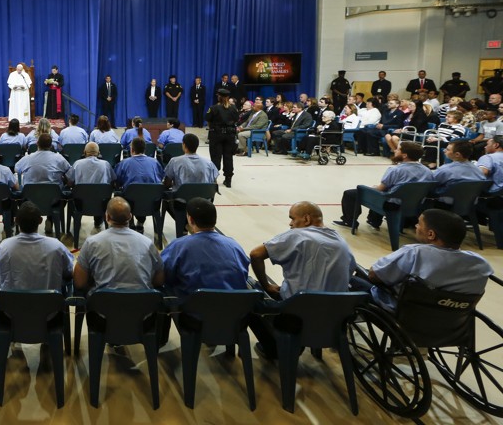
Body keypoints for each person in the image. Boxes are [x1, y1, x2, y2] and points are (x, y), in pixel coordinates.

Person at [248, 202, 356, 358]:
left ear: (306, 219)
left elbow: (255, 254)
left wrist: (266, 285)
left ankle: (274, 348)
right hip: (333, 318)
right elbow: (350, 271)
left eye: (292, 218)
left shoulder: (297, 235)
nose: (290, 223)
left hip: (295, 318)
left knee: (248, 289)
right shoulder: (340, 240)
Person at [363, 209, 493, 312]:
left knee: (356, 278)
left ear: (431, 234)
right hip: (452, 321)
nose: (416, 226)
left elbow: (374, 275)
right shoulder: (481, 265)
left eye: (419, 223)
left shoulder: (414, 253)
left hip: (407, 314)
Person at [161, 197, 249, 299]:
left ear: (190, 219)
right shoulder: (235, 246)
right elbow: (243, 275)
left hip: (192, 310)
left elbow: (163, 275)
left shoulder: (178, 246)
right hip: (234, 309)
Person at [335, 141, 434, 229]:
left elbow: (380, 189)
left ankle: (349, 221)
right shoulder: (427, 171)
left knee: (351, 193)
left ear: (404, 155)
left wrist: (374, 188)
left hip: (392, 205)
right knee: (390, 191)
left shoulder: (396, 170)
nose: (395, 150)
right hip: (415, 205)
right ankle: (374, 220)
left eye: (398, 149)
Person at [73, 197, 164, 290]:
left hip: (102, 303)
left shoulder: (91, 243)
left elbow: (79, 283)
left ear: (107, 217)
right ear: (130, 217)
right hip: (141, 303)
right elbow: (159, 281)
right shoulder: (148, 243)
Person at [0, 202, 73, 290]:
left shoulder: (4, 247)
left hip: (13, 303)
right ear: (40, 221)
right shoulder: (56, 246)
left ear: (16, 221)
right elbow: (68, 274)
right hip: (48, 303)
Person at [70, 142, 116, 228]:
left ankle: (77, 220)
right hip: (101, 204)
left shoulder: (77, 164)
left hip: (80, 204)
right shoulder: (106, 164)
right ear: (99, 153)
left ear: (84, 152)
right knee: (102, 194)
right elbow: (113, 182)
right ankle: (98, 220)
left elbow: (69, 181)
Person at [205, 89, 239, 188]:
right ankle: (228, 179)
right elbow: (236, 119)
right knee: (228, 157)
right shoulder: (233, 108)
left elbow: (207, 118)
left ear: (219, 97)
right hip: (229, 135)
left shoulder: (214, 108)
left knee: (216, 156)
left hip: (217, 134)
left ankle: (214, 179)